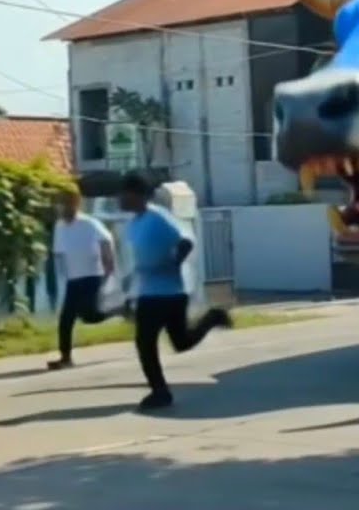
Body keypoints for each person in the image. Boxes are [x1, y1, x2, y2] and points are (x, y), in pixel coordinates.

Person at [119, 173, 232, 411]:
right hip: (149, 293)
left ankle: (212, 318)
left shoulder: (158, 217)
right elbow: (139, 260)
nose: (120, 198)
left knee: (172, 343)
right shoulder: (132, 224)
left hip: (170, 292)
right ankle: (160, 392)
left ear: (138, 195)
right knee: (152, 343)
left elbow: (185, 242)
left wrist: (171, 264)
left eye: (125, 193)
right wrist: (130, 294)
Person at [47, 187, 118, 371]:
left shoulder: (89, 224)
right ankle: (65, 357)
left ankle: (118, 309)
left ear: (75, 204)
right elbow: (59, 253)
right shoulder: (59, 227)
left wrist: (108, 263)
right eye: (59, 204)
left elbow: (106, 239)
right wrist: (62, 275)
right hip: (74, 278)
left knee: (90, 315)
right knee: (66, 318)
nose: (61, 208)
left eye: (65, 203)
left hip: (93, 275)